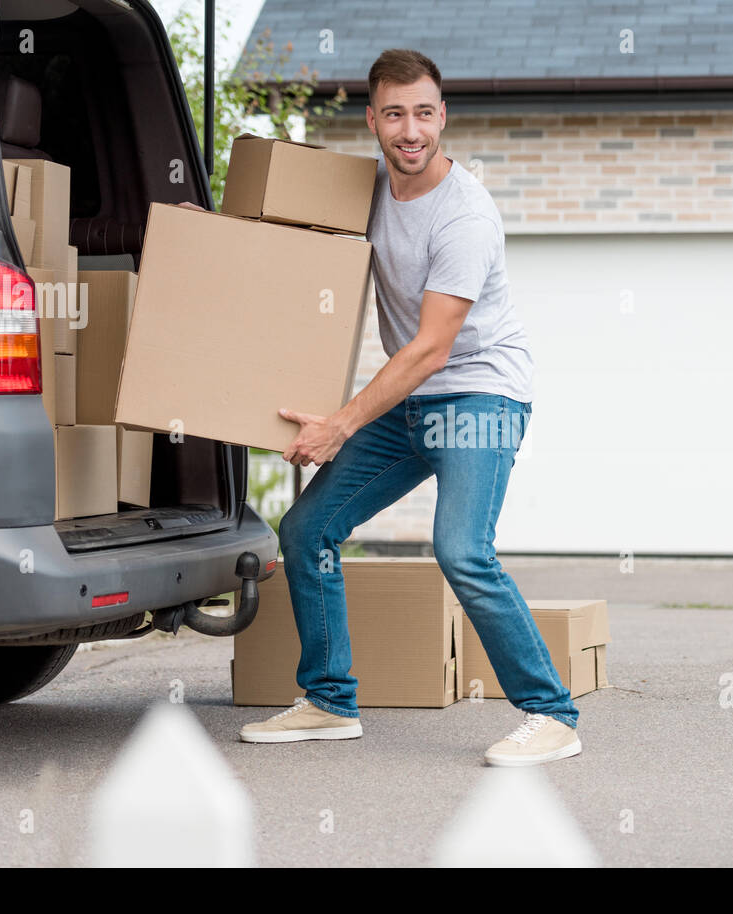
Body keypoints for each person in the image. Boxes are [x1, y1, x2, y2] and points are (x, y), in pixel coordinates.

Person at [237, 48, 581, 766]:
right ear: (373, 120)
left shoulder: (465, 218)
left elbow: (431, 348)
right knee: (306, 530)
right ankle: (330, 699)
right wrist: (206, 232)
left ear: (443, 116)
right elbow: (281, 230)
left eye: (424, 113)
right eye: (394, 114)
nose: (410, 129)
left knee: (461, 550)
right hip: (413, 400)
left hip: (481, 393)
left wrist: (341, 422)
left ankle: (551, 714)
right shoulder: (370, 190)